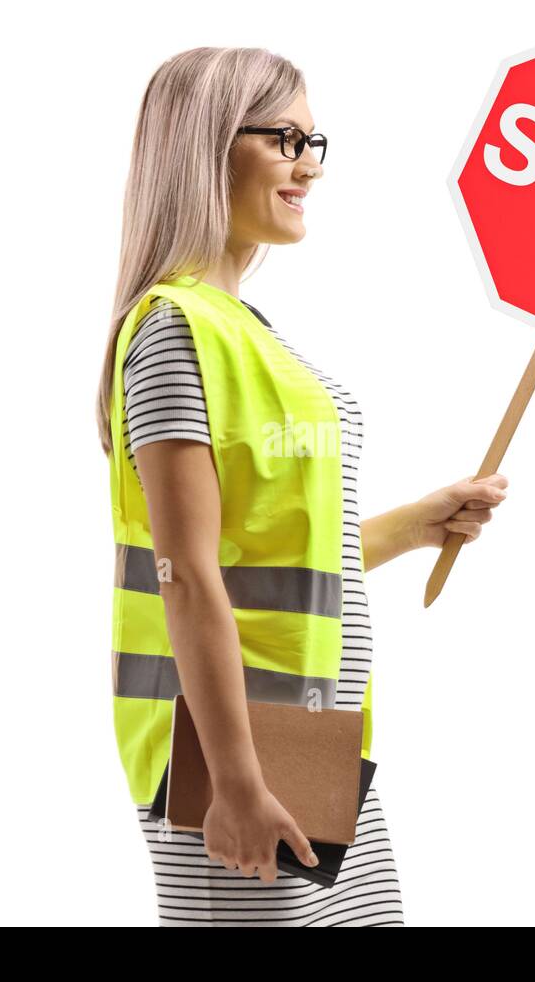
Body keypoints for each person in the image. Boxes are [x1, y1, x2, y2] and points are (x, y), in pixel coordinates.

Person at [96, 47, 510, 927]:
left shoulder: (250, 332)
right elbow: (187, 576)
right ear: (208, 145)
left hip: (312, 741)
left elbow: (270, 556)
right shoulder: (175, 330)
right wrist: (236, 780)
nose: (309, 163)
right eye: (285, 137)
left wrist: (418, 524)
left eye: (314, 139)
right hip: (226, 754)